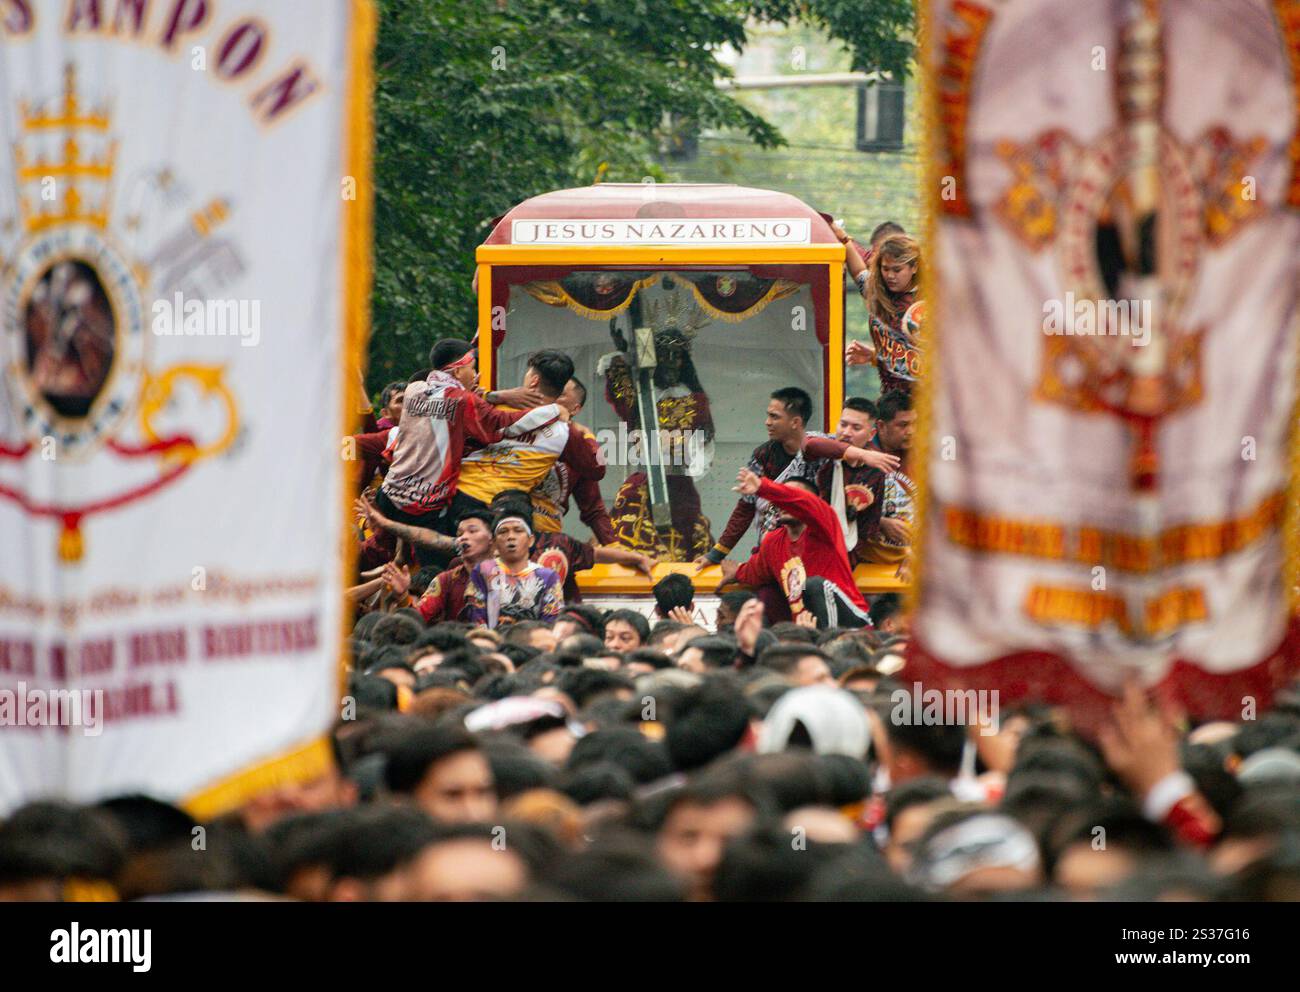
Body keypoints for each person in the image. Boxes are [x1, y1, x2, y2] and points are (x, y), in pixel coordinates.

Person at [378, 339, 565, 565]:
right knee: (441, 572)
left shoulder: (414, 390)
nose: (475, 374)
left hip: (389, 495)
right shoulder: (461, 401)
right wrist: (555, 409)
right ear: (458, 370)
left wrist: (498, 396)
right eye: (473, 367)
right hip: (423, 508)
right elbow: (501, 423)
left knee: (405, 566)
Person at [703, 387, 897, 568]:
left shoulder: (877, 471)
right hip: (781, 546)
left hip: (832, 556)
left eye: (856, 428)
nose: (846, 432)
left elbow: (867, 528)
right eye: (843, 424)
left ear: (871, 433)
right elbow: (747, 505)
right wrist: (717, 553)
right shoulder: (818, 444)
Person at [599, 295, 717, 561]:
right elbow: (622, 394)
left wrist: (669, 443)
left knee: (684, 538)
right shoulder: (643, 395)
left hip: (677, 481)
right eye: (664, 354)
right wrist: (626, 355)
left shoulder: (695, 400)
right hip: (643, 481)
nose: (671, 361)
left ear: (685, 362)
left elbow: (698, 442)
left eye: (677, 356)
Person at [454, 350, 604, 519]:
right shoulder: (566, 432)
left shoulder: (492, 409)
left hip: (460, 496)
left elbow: (456, 408)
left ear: (534, 381)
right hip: (500, 511)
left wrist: (492, 396)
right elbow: (598, 468)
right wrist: (587, 435)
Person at [720, 468, 874, 630]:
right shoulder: (773, 542)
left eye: (789, 496)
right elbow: (754, 571)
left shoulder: (825, 525)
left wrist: (764, 487)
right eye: (781, 499)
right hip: (810, 631)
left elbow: (803, 502)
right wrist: (736, 572)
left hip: (852, 625)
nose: (784, 503)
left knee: (814, 585)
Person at [529, 376, 618, 544]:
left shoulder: (580, 446)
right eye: (549, 389)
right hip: (506, 529)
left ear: (575, 409)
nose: (551, 396)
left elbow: (594, 510)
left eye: (560, 394)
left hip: (545, 538)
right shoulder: (519, 423)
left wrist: (616, 550)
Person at [844, 234, 923, 397]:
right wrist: (843, 239)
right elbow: (859, 271)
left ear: (914, 267)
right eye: (885, 269)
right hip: (890, 400)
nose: (890, 276)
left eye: (897, 270)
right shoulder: (880, 295)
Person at [464, 514, 564, 629]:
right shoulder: (483, 571)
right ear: (495, 543)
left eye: (518, 530)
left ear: (531, 540)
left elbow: (552, 620)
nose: (511, 536)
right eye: (503, 532)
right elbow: (476, 616)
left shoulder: (548, 577)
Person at [859, 391, 916, 566]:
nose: (911, 431)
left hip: (915, 561)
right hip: (868, 562)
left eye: (915, 423)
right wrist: (880, 522)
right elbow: (841, 511)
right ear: (881, 426)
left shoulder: (924, 453)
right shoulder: (861, 456)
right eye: (903, 425)